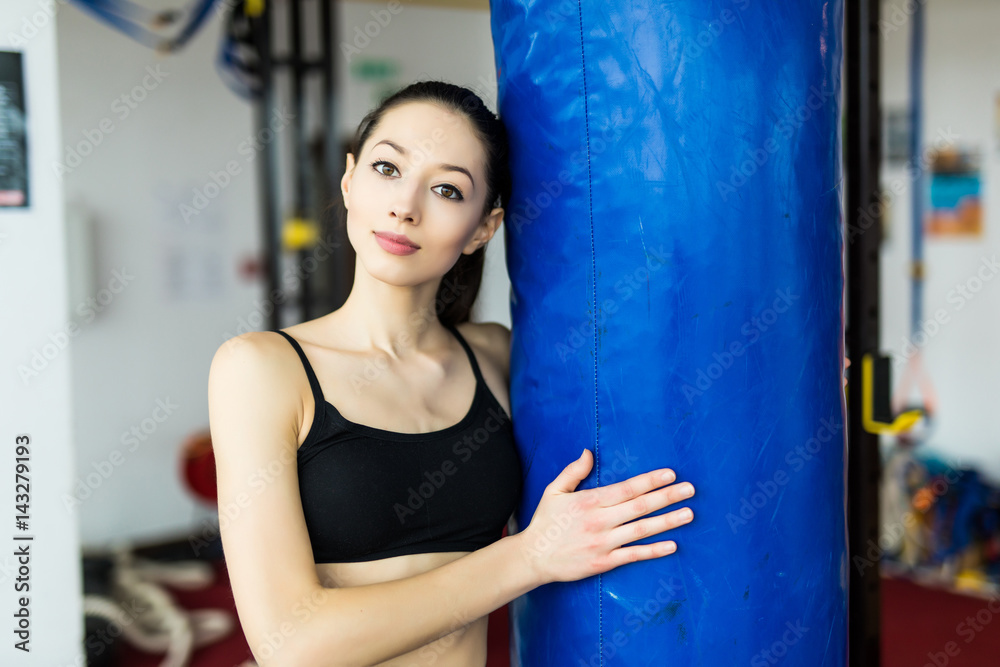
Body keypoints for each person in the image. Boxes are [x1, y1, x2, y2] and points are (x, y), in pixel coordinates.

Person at [207, 80, 696, 667]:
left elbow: (649, 395)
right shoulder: (261, 370)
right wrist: (530, 557)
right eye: (387, 168)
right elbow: (291, 643)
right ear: (348, 180)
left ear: (484, 228)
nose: (405, 206)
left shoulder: (493, 356)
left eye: (445, 189)